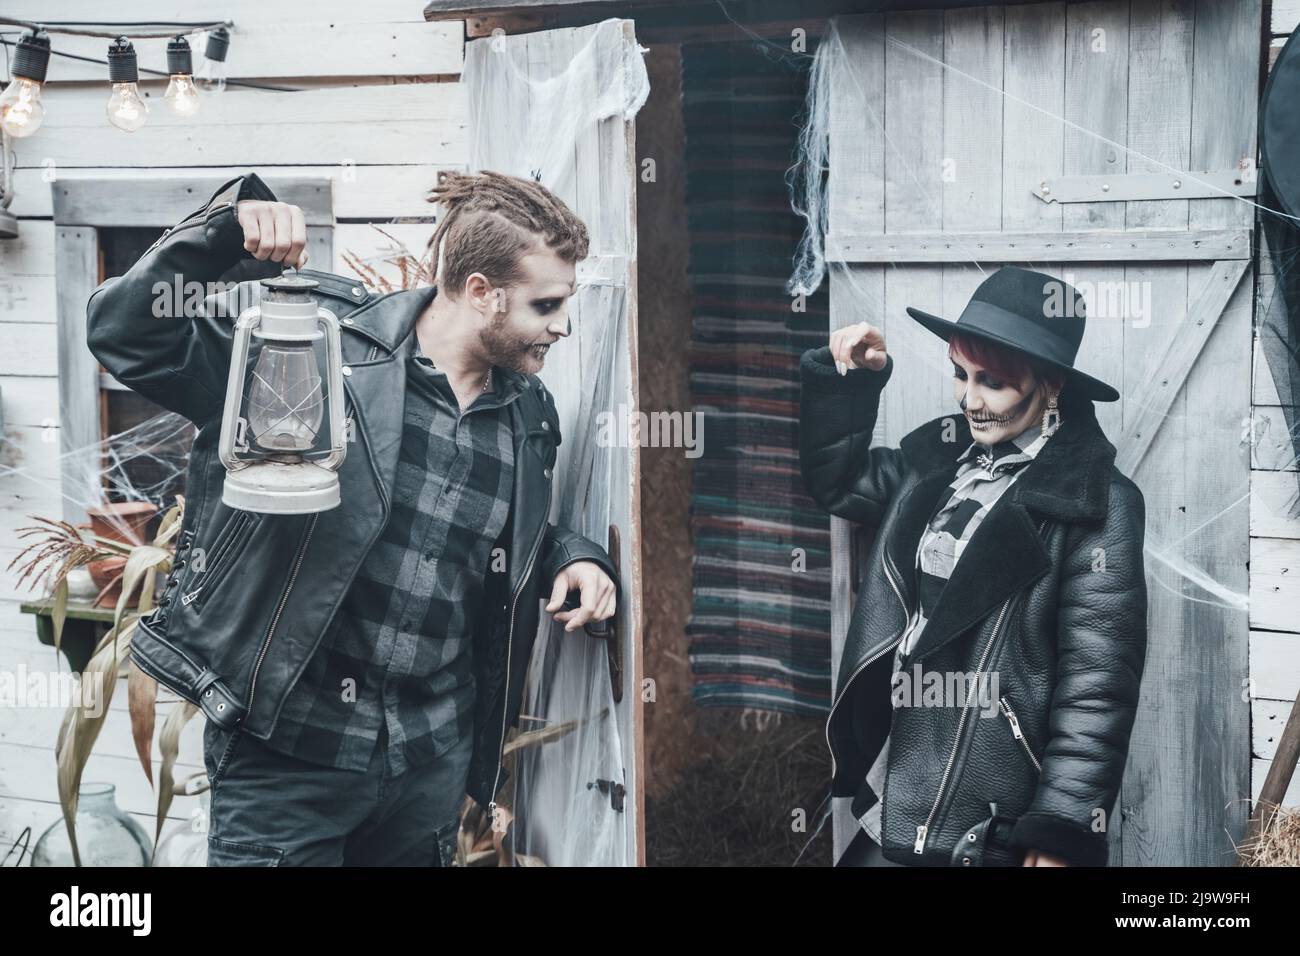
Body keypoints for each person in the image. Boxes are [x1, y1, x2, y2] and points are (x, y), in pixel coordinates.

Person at [86, 169, 619, 866]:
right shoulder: (307, 348)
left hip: (425, 766)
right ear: (482, 293)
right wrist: (221, 230)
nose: (563, 323)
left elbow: (484, 531)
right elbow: (127, 335)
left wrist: (570, 554)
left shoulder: (526, 414)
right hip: (287, 761)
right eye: (546, 304)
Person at [798, 266, 1148, 867]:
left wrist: (1060, 829)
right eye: (961, 374)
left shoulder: (1097, 504)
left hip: (990, 819)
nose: (969, 399)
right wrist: (853, 383)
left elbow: (1097, 688)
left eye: (994, 383)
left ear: (1052, 384)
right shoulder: (937, 461)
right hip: (901, 784)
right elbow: (841, 485)